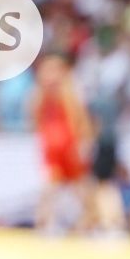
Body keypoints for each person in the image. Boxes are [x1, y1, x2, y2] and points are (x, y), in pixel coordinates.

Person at [30, 55, 92, 234]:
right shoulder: (42, 95)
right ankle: (45, 223)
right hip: (55, 148)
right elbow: (37, 120)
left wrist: (82, 143)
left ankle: (87, 223)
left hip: (68, 146)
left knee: (79, 187)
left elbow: (80, 119)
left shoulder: (68, 92)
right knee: (51, 187)